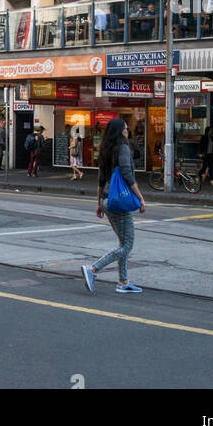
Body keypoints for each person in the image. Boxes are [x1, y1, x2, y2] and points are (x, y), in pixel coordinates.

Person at [81, 117, 146, 295]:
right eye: (126, 128)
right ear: (120, 131)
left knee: (123, 241)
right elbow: (126, 173)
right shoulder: (123, 148)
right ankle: (93, 269)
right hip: (118, 201)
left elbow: (100, 180)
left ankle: (123, 281)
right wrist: (140, 197)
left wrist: (99, 204)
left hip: (107, 200)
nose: (128, 130)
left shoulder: (105, 150)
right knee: (127, 245)